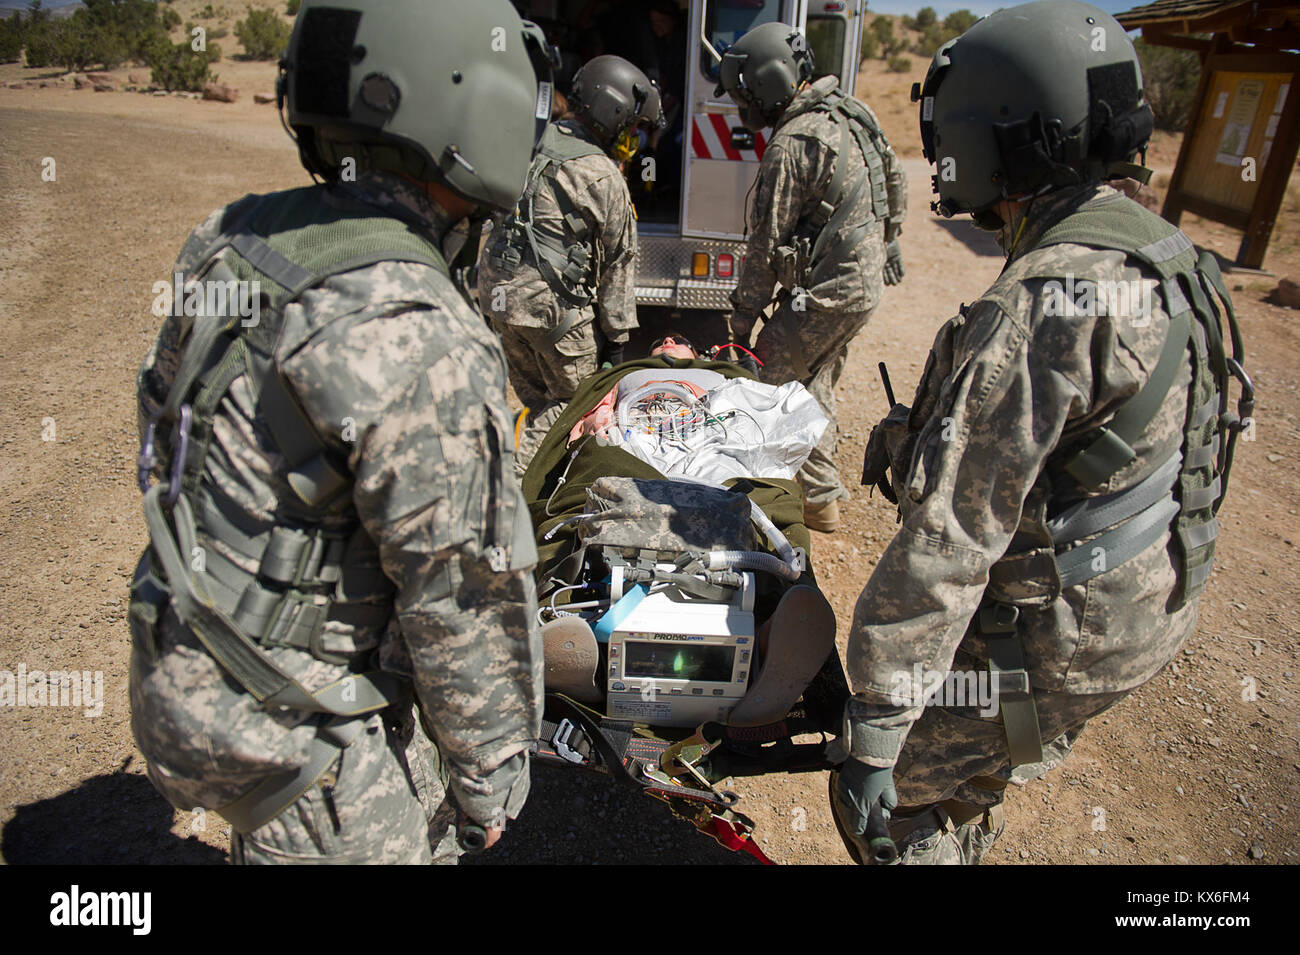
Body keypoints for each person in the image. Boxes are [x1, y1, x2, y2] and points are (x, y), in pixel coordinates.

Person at [128, 0, 550, 864]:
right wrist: (491, 783)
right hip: (283, 724)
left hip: (179, 653)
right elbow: (462, 597)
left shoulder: (233, 235)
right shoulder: (420, 327)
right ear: (475, 106)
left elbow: (169, 431)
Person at [833, 0, 1251, 864]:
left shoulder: (1041, 301)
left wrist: (875, 723)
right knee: (984, 751)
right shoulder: (1171, 256)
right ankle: (978, 786)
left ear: (999, 138)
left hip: (1062, 640)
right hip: (1154, 608)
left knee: (878, 798)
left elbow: (952, 538)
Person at [716, 22, 907, 533]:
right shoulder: (852, 111)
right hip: (855, 290)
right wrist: (890, 241)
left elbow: (762, 245)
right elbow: (895, 176)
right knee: (811, 383)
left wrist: (742, 322)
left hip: (826, 295)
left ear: (767, 82)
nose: (742, 106)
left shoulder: (793, 141)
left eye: (743, 94)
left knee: (768, 381)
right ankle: (821, 500)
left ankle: (758, 502)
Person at [480, 53, 664, 475]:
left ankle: (534, 472)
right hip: (551, 314)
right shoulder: (602, 175)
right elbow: (619, 265)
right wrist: (616, 348)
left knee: (543, 403)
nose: (634, 139)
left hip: (500, 303)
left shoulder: (526, 144)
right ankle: (502, 479)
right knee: (576, 408)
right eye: (633, 126)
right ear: (612, 113)